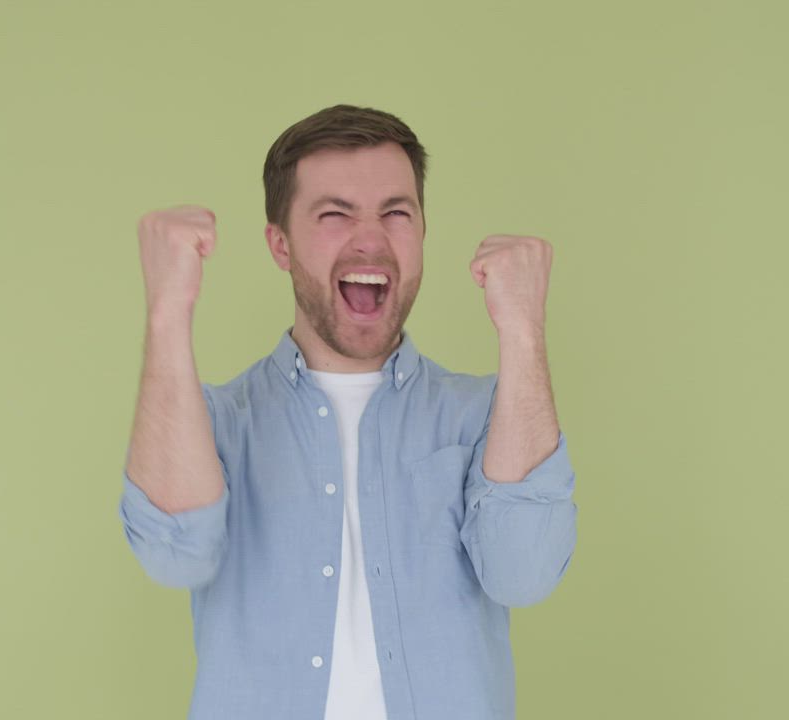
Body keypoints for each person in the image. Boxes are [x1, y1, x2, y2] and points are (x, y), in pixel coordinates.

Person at [118, 104, 577, 720]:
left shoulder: (489, 415)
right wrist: (167, 310)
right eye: (335, 214)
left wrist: (522, 329)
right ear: (280, 244)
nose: (372, 238)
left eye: (397, 213)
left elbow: (525, 574)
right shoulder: (215, 422)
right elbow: (175, 558)